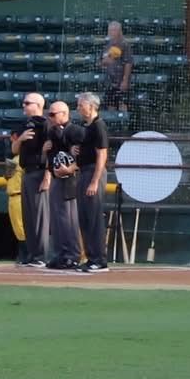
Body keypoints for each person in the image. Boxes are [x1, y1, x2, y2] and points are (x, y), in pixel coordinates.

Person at [40, 100, 84, 270]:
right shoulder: (52, 133)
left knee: (68, 219)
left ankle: (72, 255)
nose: (49, 117)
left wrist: (71, 164)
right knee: (57, 220)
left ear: (64, 114)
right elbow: (49, 158)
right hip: (57, 178)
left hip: (71, 179)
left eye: (52, 114)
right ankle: (60, 254)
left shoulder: (76, 131)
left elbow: (84, 155)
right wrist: (45, 151)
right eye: (48, 114)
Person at [73, 93, 111, 273]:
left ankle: (99, 259)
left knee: (94, 217)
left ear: (91, 106)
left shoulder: (98, 126)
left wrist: (95, 182)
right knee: (85, 217)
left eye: (81, 105)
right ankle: (90, 257)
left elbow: (102, 154)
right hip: (83, 172)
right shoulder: (86, 127)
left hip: (93, 173)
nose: (79, 108)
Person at [12, 93, 49, 267]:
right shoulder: (24, 125)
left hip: (40, 172)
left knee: (40, 217)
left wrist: (48, 177)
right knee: (28, 217)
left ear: (38, 105)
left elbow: (51, 152)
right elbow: (13, 149)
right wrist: (20, 138)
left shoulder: (46, 124)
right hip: (26, 172)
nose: (24, 106)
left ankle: (41, 255)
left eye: (27, 103)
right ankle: (32, 253)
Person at [98, 22, 134, 113]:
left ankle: (123, 125)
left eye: (114, 30)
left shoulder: (124, 45)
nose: (111, 33)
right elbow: (100, 62)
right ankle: (112, 126)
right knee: (111, 105)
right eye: (110, 30)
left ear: (119, 31)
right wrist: (104, 62)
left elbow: (128, 63)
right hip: (109, 81)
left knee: (122, 104)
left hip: (120, 80)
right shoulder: (107, 45)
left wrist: (125, 80)